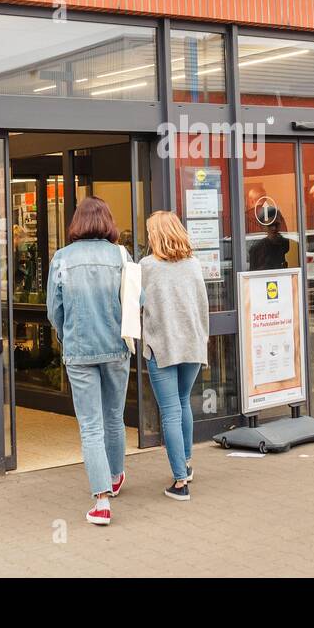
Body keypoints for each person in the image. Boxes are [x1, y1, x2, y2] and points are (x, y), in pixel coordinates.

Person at [47, 196, 132, 526]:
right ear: (107, 221)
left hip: (80, 351)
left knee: (91, 425)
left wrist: (66, 336)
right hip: (116, 348)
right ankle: (115, 476)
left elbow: (54, 310)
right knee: (114, 416)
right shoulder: (121, 256)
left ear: (77, 223)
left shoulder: (62, 258)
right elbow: (135, 299)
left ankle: (101, 501)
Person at [139, 211, 209, 501]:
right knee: (183, 403)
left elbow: (137, 304)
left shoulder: (146, 266)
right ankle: (187, 463)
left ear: (155, 235)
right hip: (192, 344)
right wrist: (202, 338)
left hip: (162, 346)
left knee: (169, 410)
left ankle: (180, 482)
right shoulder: (193, 265)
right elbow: (203, 305)